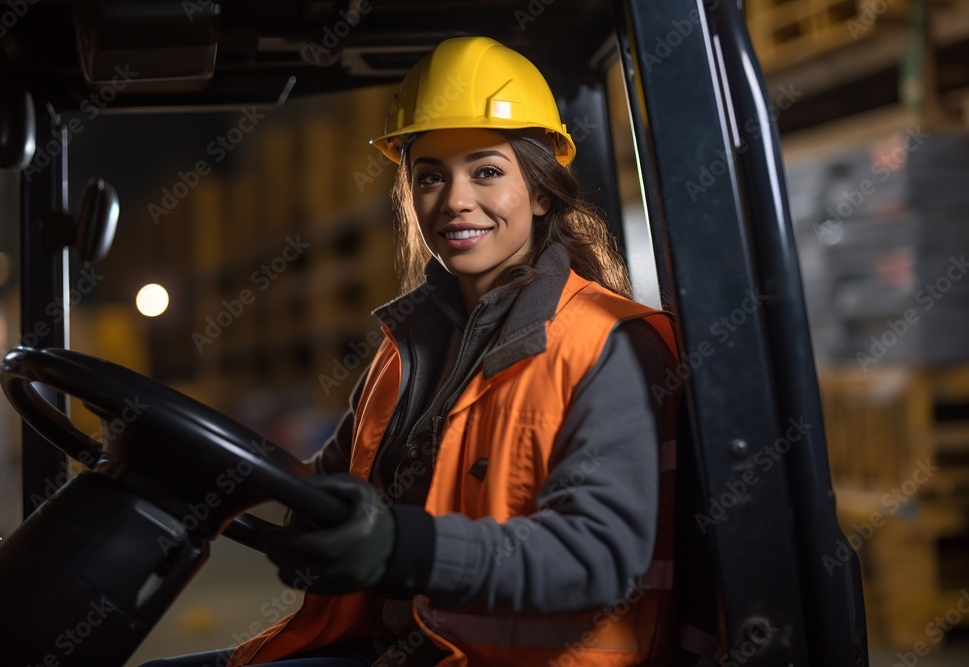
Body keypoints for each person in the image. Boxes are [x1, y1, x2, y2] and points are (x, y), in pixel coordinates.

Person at [141, 35, 680, 667]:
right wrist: (211, 478)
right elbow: (325, 482)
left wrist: (407, 547)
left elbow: (600, 556)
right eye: (430, 177)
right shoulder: (410, 348)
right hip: (398, 648)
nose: (454, 200)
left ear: (540, 193)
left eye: (486, 171)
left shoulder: (608, 343)